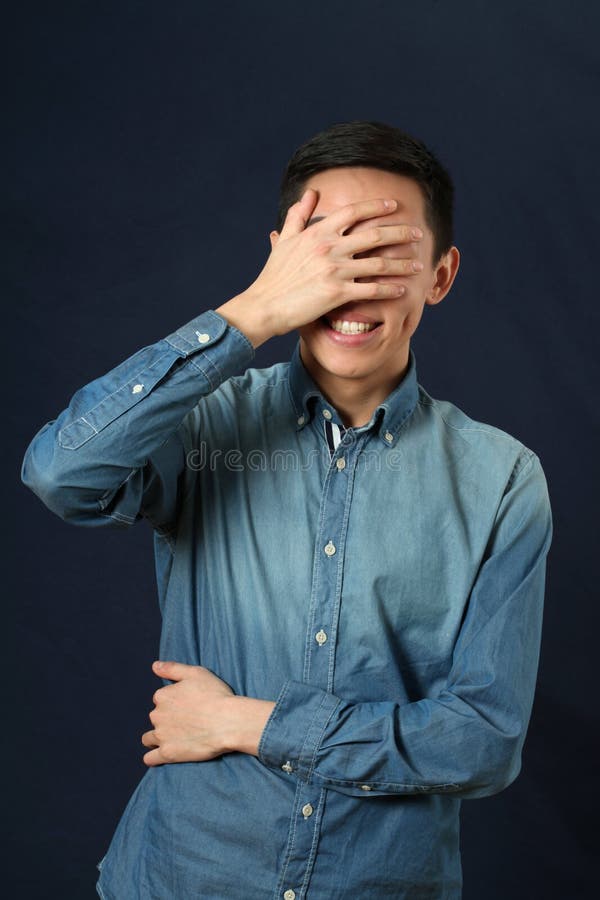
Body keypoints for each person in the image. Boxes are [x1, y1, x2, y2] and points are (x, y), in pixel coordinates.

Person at [21, 121, 552, 899]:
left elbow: (483, 741)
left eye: (385, 255)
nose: (351, 284)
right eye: (330, 249)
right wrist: (255, 311)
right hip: (181, 877)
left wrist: (249, 723)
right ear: (285, 255)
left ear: (440, 275)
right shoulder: (201, 427)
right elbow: (60, 474)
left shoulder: (503, 479)